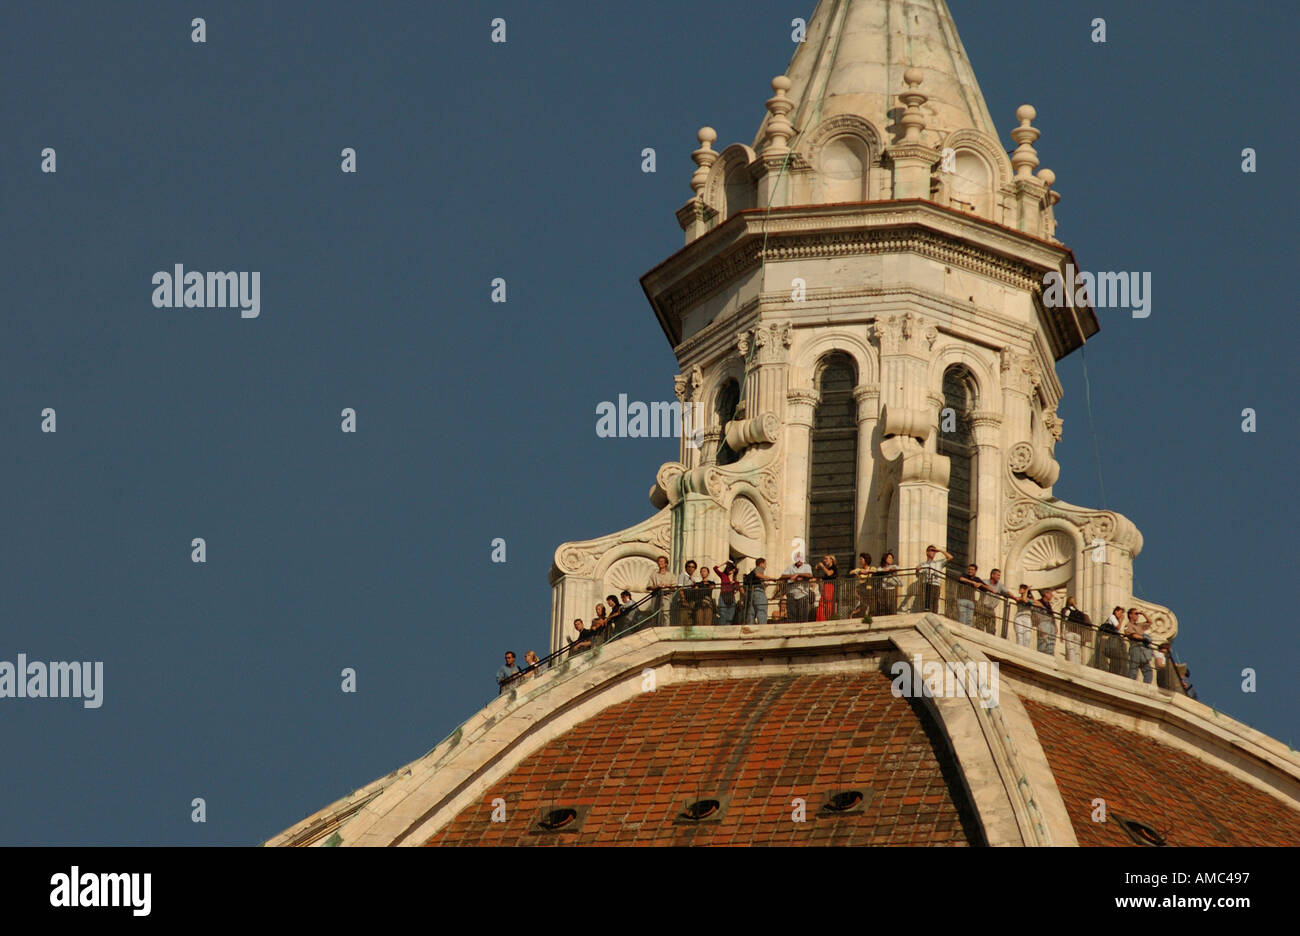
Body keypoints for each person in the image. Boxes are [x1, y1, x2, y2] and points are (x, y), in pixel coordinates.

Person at [917, 545, 952, 613]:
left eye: (934, 551)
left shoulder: (939, 562)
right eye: (932, 550)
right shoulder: (923, 564)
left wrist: (940, 550)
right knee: (927, 603)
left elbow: (950, 557)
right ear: (927, 552)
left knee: (935, 603)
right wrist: (917, 570)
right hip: (927, 584)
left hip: (936, 584)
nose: (933, 552)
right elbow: (918, 574)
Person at [782, 553, 815, 623]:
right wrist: (792, 576)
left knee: (803, 615)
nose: (799, 560)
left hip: (803, 594)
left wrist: (798, 574)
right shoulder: (790, 567)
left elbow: (810, 575)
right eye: (797, 558)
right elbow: (783, 576)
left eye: (800, 558)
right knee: (791, 615)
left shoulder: (807, 566)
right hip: (791, 593)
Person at [980, 568, 1012, 636]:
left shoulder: (1000, 585)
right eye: (997, 575)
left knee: (991, 630)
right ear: (992, 575)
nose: (999, 577)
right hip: (982, 607)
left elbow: (1007, 592)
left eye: (999, 575)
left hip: (991, 609)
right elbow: (979, 584)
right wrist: (989, 589)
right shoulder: (985, 582)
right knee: (979, 627)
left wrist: (1014, 597)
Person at [1126, 607, 1155, 683]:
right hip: (1135, 647)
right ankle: (1130, 683)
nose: (1137, 616)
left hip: (1143, 649)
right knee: (1134, 667)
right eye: (1135, 614)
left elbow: (1150, 622)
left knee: (1148, 671)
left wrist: (1143, 613)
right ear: (1130, 615)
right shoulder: (1128, 625)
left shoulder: (1139, 625)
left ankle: (1146, 686)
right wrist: (1143, 638)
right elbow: (1131, 634)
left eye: (1137, 614)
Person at [743, 558, 775, 625]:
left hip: (751, 593)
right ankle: (763, 629)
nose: (766, 566)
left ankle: (750, 627)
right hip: (758, 592)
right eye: (765, 564)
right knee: (762, 610)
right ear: (761, 564)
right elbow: (757, 574)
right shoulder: (759, 568)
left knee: (751, 613)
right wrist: (770, 578)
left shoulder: (752, 572)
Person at [1096, 606, 1127, 674]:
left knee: (1115, 658)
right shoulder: (1112, 617)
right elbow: (1118, 627)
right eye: (1121, 612)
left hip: (1112, 641)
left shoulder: (1116, 619)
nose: (1121, 615)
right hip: (1109, 640)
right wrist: (1121, 620)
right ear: (1116, 611)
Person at [646, 556, 675, 626]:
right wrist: (657, 586)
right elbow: (648, 587)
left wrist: (668, 586)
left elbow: (675, 586)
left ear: (666, 564)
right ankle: (655, 627)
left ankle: (666, 629)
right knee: (654, 613)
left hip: (666, 596)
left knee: (665, 613)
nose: (659, 563)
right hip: (656, 596)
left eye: (661, 561)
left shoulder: (671, 575)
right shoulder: (654, 575)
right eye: (658, 561)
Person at [1062, 596, 1091, 664]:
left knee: (1070, 649)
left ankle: (1071, 664)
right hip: (1078, 633)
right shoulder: (1079, 613)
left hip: (1069, 632)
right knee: (1077, 651)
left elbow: (1063, 620)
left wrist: (1062, 633)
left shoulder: (1066, 610)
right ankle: (1077, 664)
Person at [674, 560, 700, 627]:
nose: (691, 568)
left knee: (690, 619)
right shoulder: (682, 575)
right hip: (684, 598)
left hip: (691, 599)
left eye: (693, 567)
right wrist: (683, 599)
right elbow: (680, 587)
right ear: (686, 568)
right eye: (689, 566)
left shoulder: (693, 579)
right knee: (683, 618)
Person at [1033, 587, 1057, 654]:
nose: (1052, 595)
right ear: (1046, 594)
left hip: (1051, 625)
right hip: (1043, 623)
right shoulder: (1039, 602)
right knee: (1043, 642)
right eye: (1050, 593)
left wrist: (1055, 625)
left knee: (1051, 643)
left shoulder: (1048, 604)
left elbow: (1052, 615)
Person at [814, 554, 838, 621]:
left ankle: (829, 618)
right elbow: (821, 578)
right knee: (822, 604)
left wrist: (822, 566)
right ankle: (820, 619)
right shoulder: (826, 568)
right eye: (824, 559)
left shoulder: (833, 567)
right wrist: (817, 570)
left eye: (826, 559)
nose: (825, 560)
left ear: (831, 560)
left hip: (830, 587)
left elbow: (829, 573)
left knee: (828, 604)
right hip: (825, 587)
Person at [713, 561, 738, 625]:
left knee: (730, 616)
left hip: (731, 596)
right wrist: (723, 563)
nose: (728, 570)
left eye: (730, 568)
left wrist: (734, 584)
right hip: (723, 595)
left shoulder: (735, 580)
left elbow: (736, 589)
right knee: (723, 614)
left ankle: (727, 630)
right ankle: (721, 629)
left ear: (734, 570)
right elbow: (715, 568)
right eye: (727, 568)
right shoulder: (723, 575)